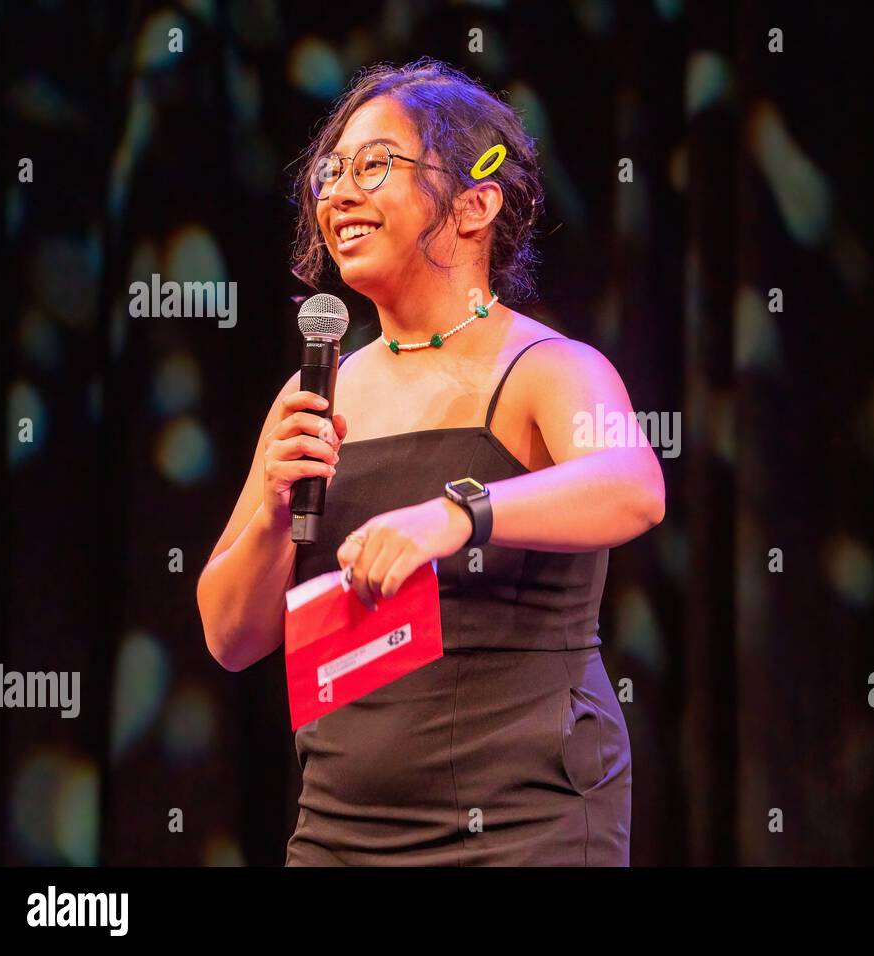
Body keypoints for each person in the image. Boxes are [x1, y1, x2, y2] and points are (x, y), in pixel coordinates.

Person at [195, 59, 665, 865]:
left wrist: (457, 515)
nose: (339, 194)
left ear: (476, 204)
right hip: (341, 831)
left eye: (375, 165)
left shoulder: (549, 367)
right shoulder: (317, 389)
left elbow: (631, 487)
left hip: (524, 828)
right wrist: (275, 512)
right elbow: (230, 636)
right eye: (331, 172)